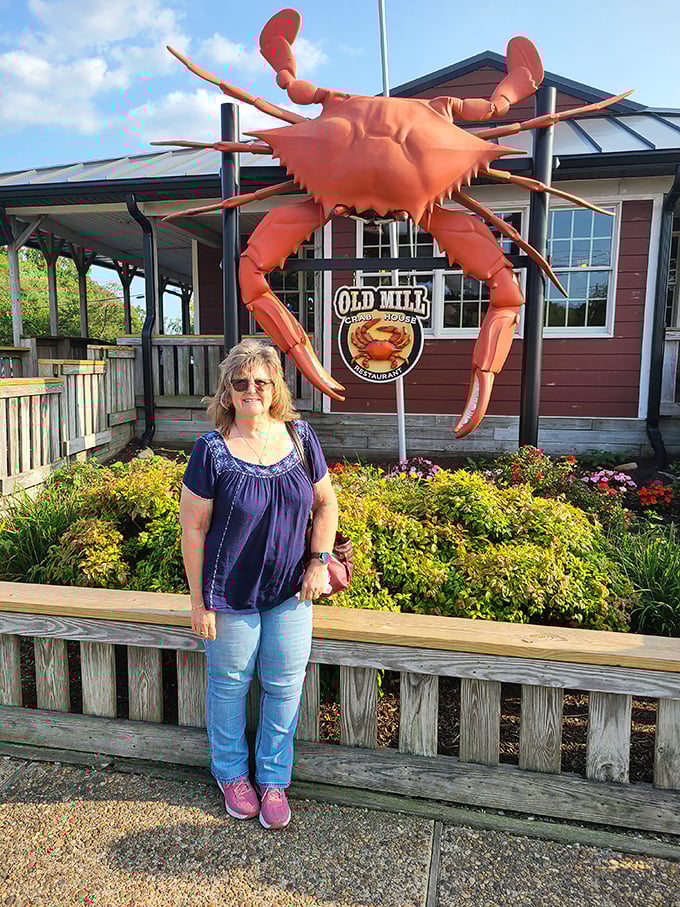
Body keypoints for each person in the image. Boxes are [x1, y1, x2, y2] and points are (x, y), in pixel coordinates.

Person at [179, 338, 338, 831]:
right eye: (241, 381)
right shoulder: (211, 450)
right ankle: (231, 776)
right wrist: (199, 601)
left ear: (275, 390)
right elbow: (192, 529)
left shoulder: (301, 437)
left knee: (285, 687)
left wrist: (320, 561)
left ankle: (273, 779)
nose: (251, 389)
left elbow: (326, 505)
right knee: (229, 686)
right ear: (228, 391)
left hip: (292, 592)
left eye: (261, 382)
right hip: (229, 594)